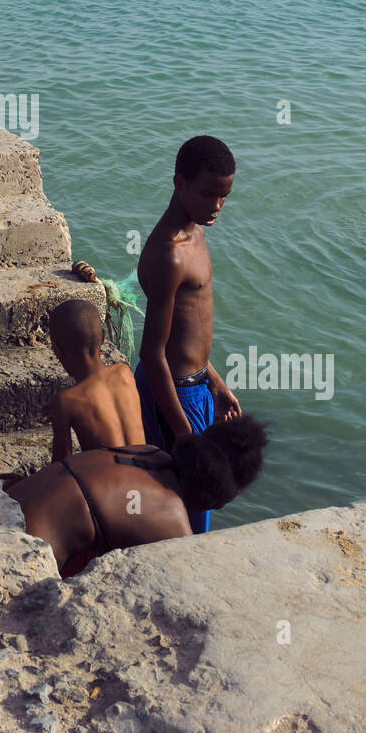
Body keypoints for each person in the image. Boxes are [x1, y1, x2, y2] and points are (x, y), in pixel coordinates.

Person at [135, 135, 242, 534]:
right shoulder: (169, 254)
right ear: (179, 182)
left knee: (189, 501)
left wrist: (215, 382)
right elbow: (152, 353)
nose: (216, 206)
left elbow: (188, 331)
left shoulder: (196, 232)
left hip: (195, 384)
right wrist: (183, 434)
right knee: (190, 509)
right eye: (208, 193)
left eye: (225, 196)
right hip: (173, 392)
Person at [8, 415, 267, 578]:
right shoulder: (173, 525)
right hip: (16, 559)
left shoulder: (148, 452)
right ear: (226, 495)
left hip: (6, 512)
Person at [45, 299, 145, 459]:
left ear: (57, 349)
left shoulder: (65, 401)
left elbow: (61, 466)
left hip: (113, 482)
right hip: (149, 472)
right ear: (103, 338)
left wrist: (26, 482)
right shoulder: (124, 372)